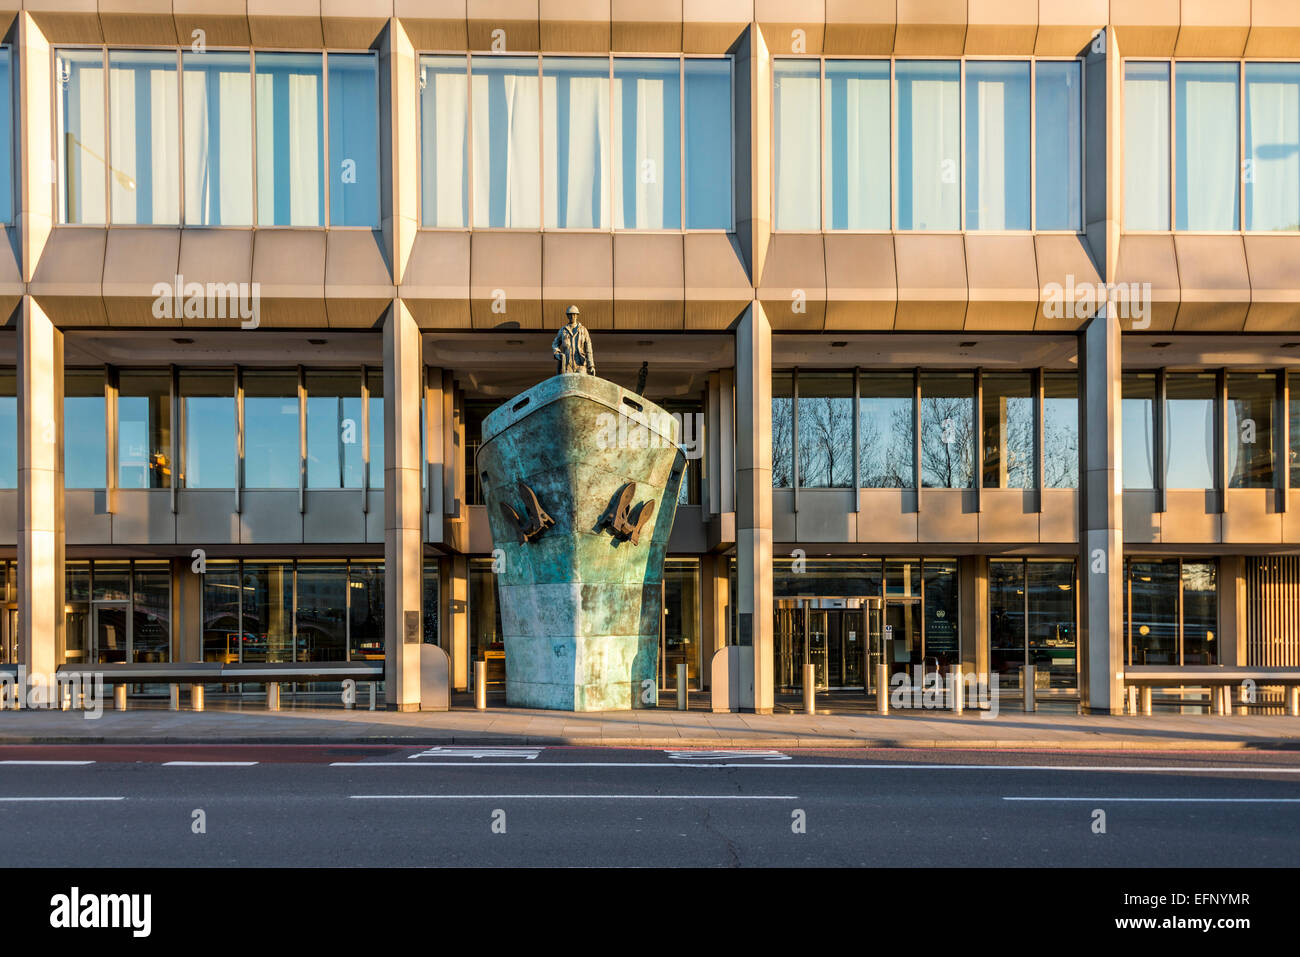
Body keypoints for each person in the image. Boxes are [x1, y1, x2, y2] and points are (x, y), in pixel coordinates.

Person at [552, 305, 595, 375]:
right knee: (567, 384)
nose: (572, 317)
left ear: (577, 315)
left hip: (580, 364)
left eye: (574, 314)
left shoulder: (583, 330)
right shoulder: (563, 331)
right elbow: (555, 344)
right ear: (567, 316)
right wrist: (557, 353)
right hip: (567, 365)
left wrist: (591, 365)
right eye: (570, 315)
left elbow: (589, 349)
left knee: (581, 383)